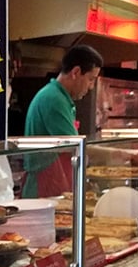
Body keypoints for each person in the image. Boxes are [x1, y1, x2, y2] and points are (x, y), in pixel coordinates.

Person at [21, 45, 103, 198]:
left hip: (55, 186)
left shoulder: (60, 98)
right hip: (44, 188)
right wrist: (122, 154)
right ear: (76, 72)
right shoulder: (53, 99)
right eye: (91, 79)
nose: (91, 87)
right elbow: (75, 146)